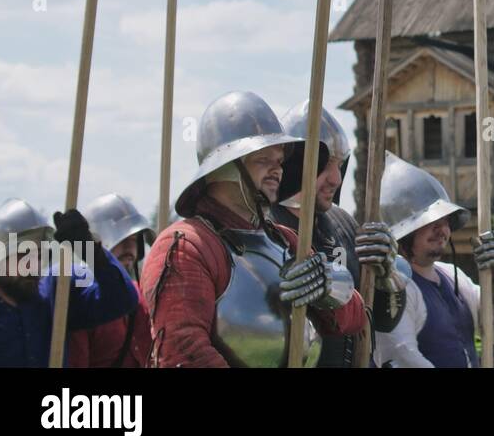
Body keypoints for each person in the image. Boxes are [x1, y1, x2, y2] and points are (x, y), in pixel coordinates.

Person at [141, 91, 365, 367]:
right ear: (224, 168)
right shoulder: (187, 247)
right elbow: (185, 353)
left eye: (279, 162)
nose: (277, 171)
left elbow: (353, 318)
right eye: (262, 161)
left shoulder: (285, 240)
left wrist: (326, 284)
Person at [271, 101, 405, 367]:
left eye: (340, 164)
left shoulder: (344, 223)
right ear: (297, 162)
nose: (336, 178)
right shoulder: (266, 225)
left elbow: (383, 319)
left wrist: (386, 276)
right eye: (326, 164)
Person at [372, 151, 494, 367]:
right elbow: (402, 356)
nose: (442, 229)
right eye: (430, 221)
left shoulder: (455, 279)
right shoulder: (394, 284)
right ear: (404, 230)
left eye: (445, 220)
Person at [0, 199, 137, 367]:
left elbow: (122, 299)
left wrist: (88, 248)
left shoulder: (56, 291)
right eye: (23, 254)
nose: (33, 265)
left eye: (38, 256)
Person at [67, 193, 154, 367]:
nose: (130, 247)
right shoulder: (83, 299)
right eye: (122, 239)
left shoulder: (145, 295)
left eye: (133, 240)